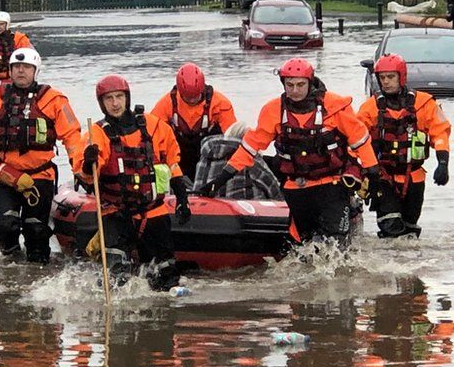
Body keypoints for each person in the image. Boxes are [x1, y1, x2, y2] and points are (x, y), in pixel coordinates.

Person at [200, 57, 378, 246]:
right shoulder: (273, 111)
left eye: (300, 85)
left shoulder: (335, 107)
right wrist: (221, 179)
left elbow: (360, 140)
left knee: (336, 243)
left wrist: (373, 174)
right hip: (296, 188)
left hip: (331, 184)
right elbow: (249, 148)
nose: (295, 90)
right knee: (303, 244)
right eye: (290, 85)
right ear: (283, 84)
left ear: (310, 82)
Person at [0, 48, 83, 263]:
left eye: (26, 67)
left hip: (40, 175)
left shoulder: (54, 100)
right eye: (17, 67)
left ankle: (33, 271)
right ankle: (10, 254)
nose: (21, 71)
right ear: (10, 70)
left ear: (35, 71)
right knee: (5, 225)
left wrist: (80, 167)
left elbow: (71, 135)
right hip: (5, 174)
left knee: (36, 230)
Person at [76, 75, 191, 291]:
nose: (115, 103)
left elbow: (173, 164)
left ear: (127, 98)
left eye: (119, 97)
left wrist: (182, 200)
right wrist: (88, 163)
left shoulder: (154, 126)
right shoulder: (96, 133)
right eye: (109, 98)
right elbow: (87, 175)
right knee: (115, 278)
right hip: (116, 212)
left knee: (165, 273)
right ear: (101, 103)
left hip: (152, 210)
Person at [356, 54, 451, 238]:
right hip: (383, 177)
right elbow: (355, 139)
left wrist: (443, 163)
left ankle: (407, 256)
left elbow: (440, 132)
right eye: (382, 77)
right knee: (391, 227)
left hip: (414, 177)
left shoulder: (424, 104)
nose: (386, 82)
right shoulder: (370, 108)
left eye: (390, 77)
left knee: (410, 229)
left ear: (402, 77)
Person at [150, 63, 237, 182]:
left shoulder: (221, 103)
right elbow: (152, 135)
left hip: (210, 159)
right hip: (178, 158)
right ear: (180, 91)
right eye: (187, 97)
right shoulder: (166, 104)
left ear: (202, 89)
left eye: (195, 96)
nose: (192, 100)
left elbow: (233, 139)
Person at [192, 122, 283, 200]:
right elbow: (275, 191)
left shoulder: (205, 159)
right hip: (244, 213)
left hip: (205, 212)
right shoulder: (249, 159)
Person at [0, 11, 35, 88]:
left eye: (1, 24)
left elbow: (31, 59)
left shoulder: (19, 39)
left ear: (7, 25)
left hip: (14, 80)